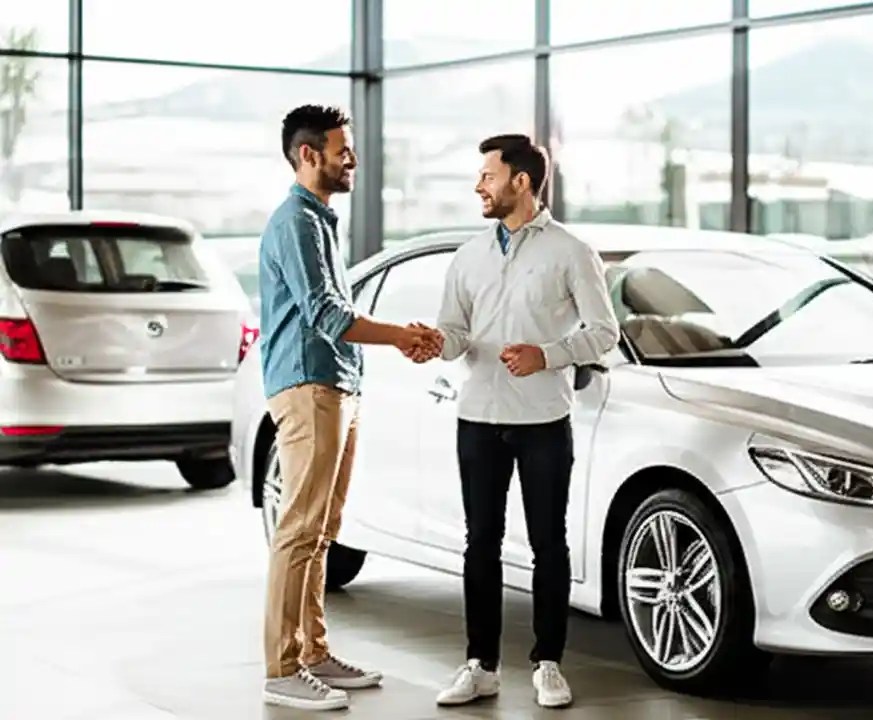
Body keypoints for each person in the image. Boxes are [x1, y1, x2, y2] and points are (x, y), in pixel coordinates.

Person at [258, 104, 439, 711]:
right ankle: (282, 668)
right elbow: (328, 316)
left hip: (336, 386)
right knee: (300, 530)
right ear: (308, 154)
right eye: (342, 149)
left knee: (323, 530)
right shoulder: (295, 224)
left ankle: (313, 652)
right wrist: (403, 335)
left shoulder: (320, 221)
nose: (352, 159)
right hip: (309, 387)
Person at [430, 134, 620, 709]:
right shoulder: (468, 256)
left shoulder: (570, 251)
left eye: (487, 176)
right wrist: (433, 342)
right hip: (477, 418)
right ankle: (480, 665)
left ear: (521, 181)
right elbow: (455, 333)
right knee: (479, 544)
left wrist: (549, 354)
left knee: (548, 545)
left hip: (542, 419)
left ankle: (548, 663)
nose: (478, 186)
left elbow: (605, 332)